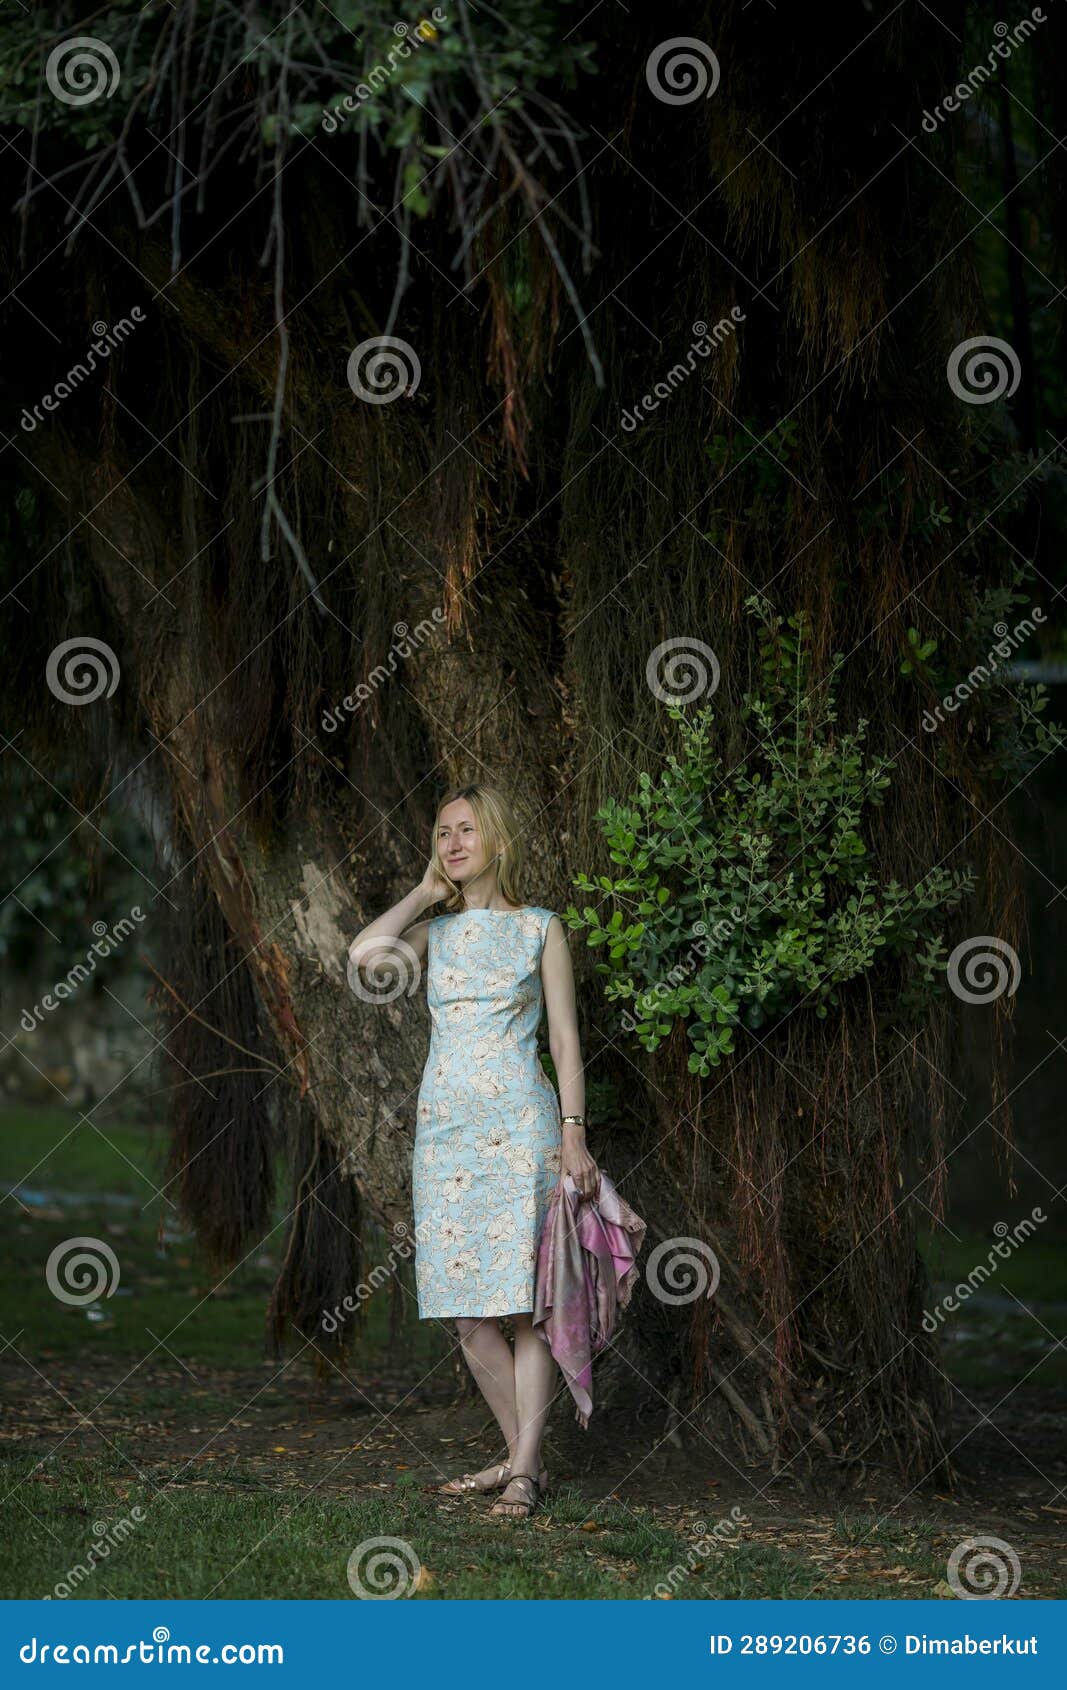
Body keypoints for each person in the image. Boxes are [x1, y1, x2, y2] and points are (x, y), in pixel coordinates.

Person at [348, 783, 598, 1518]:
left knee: (524, 1306)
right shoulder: (437, 933)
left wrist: (573, 1132)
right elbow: (365, 957)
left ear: (497, 841)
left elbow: (563, 1039)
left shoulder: (539, 928)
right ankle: (525, 1460)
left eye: (465, 831)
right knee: (465, 1314)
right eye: (441, 833)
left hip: (522, 1129)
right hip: (446, 1135)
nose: (452, 843)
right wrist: (424, 892)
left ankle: (520, 1470)